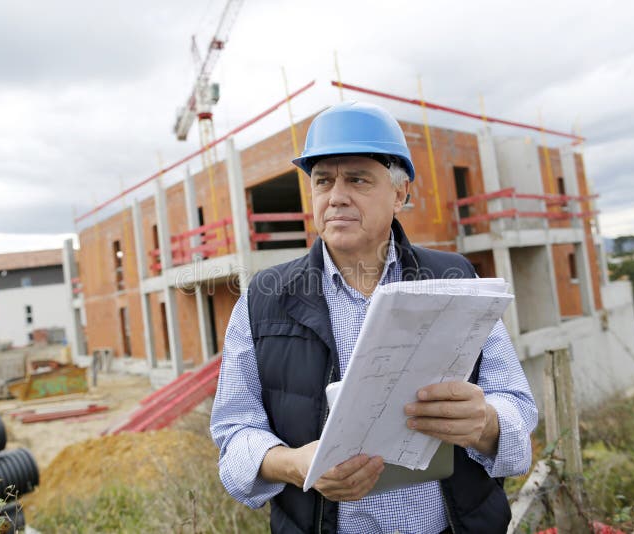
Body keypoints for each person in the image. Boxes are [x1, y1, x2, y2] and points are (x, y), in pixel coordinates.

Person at [210, 101, 538, 534]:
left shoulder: (454, 279)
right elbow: (234, 433)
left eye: (358, 179)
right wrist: (294, 465)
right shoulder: (264, 300)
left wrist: (486, 423)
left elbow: (515, 403)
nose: (337, 196)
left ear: (400, 193)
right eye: (323, 180)